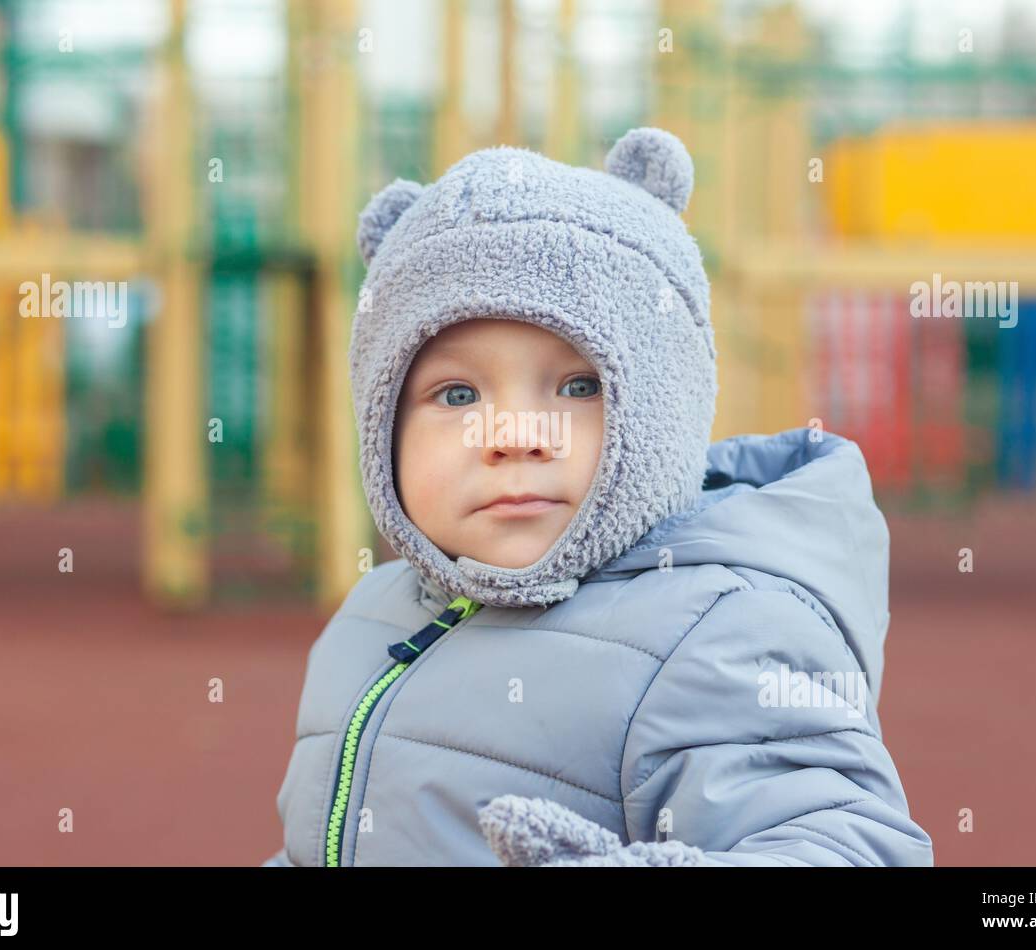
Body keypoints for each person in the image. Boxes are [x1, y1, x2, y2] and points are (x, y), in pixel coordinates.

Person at [264, 127, 934, 866]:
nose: (516, 435)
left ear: (663, 403)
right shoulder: (368, 618)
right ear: (382, 424)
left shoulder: (718, 632)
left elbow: (848, 846)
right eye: (457, 394)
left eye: (579, 386)